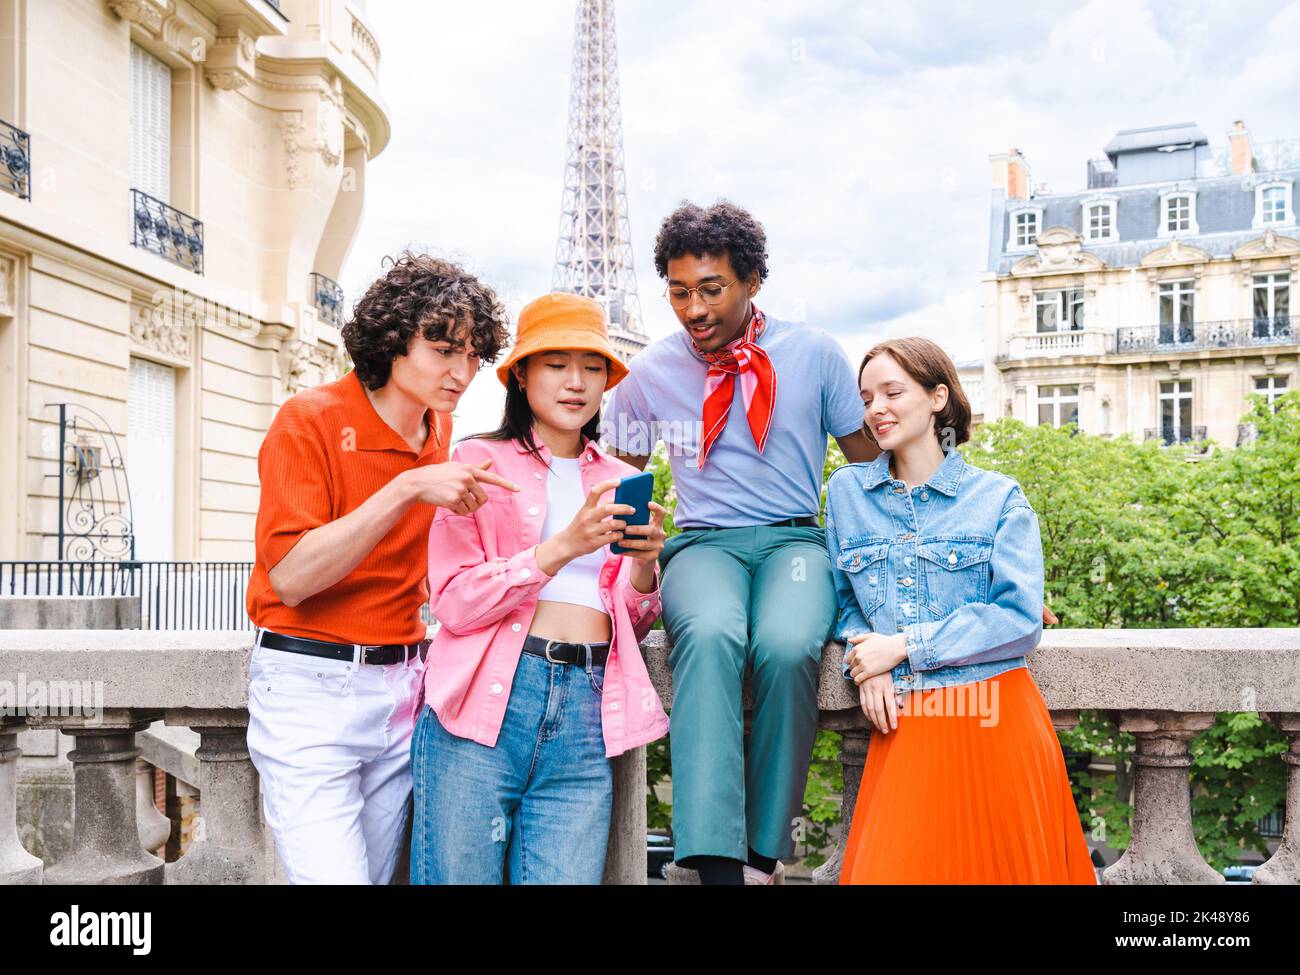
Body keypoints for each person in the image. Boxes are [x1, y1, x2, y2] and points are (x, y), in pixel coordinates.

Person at [601, 200, 878, 885]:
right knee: (712, 636)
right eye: (677, 291)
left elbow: (873, 471)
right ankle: (720, 866)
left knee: (788, 647)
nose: (693, 308)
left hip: (795, 543)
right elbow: (610, 480)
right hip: (702, 546)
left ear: (752, 280)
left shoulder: (814, 354)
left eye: (711, 288)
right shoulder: (652, 374)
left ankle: (765, 853)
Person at [244, 253, 515, 884]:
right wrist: (407, 489)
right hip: (309, 686)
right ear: (391, 340)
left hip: (403, 690)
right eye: (443, 349)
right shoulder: (308, 420)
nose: (462, 371)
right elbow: (291, 576)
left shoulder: (440, 429)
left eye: (473, 355)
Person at [410, 292, 670, 885]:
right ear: (521, 374)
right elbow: (451, 600)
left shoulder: (621, 479)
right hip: (485, 703)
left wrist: (643, 569)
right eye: (556, 363)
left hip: (586, 709)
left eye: (593, 365)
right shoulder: (477, 461)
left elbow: (628, 620)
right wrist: (559, 549)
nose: (576, 382)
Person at [827, 336, 1096, 884]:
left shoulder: (998, 498)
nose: (875, 409)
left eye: (892, 392)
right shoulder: (846, 493)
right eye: (866, 397)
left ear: (937, 397)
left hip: (995, 721)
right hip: (906, 731)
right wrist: (865, 659)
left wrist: (900, 647)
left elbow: (1020, 619)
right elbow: (842, 601)